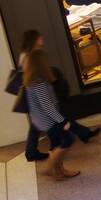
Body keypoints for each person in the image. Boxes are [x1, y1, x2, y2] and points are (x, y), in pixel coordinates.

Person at [16, 30, 99, 162]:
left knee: (50, 131)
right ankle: (51, 164)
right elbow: (47, 106)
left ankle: (51, 159)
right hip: (44, 114)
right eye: (39, 37)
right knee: (61, 133)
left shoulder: (34, 63)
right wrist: (62, 121)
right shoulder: (34, 66)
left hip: (41, 113)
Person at [22, 44, 82, 179]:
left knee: (56, 144)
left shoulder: (31, 81)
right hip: (49, 120)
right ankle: (49, 167)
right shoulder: (39, 83)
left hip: (42, 120)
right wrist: (63, 120)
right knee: (68, 139)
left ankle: (59, 170)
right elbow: (47, 106)